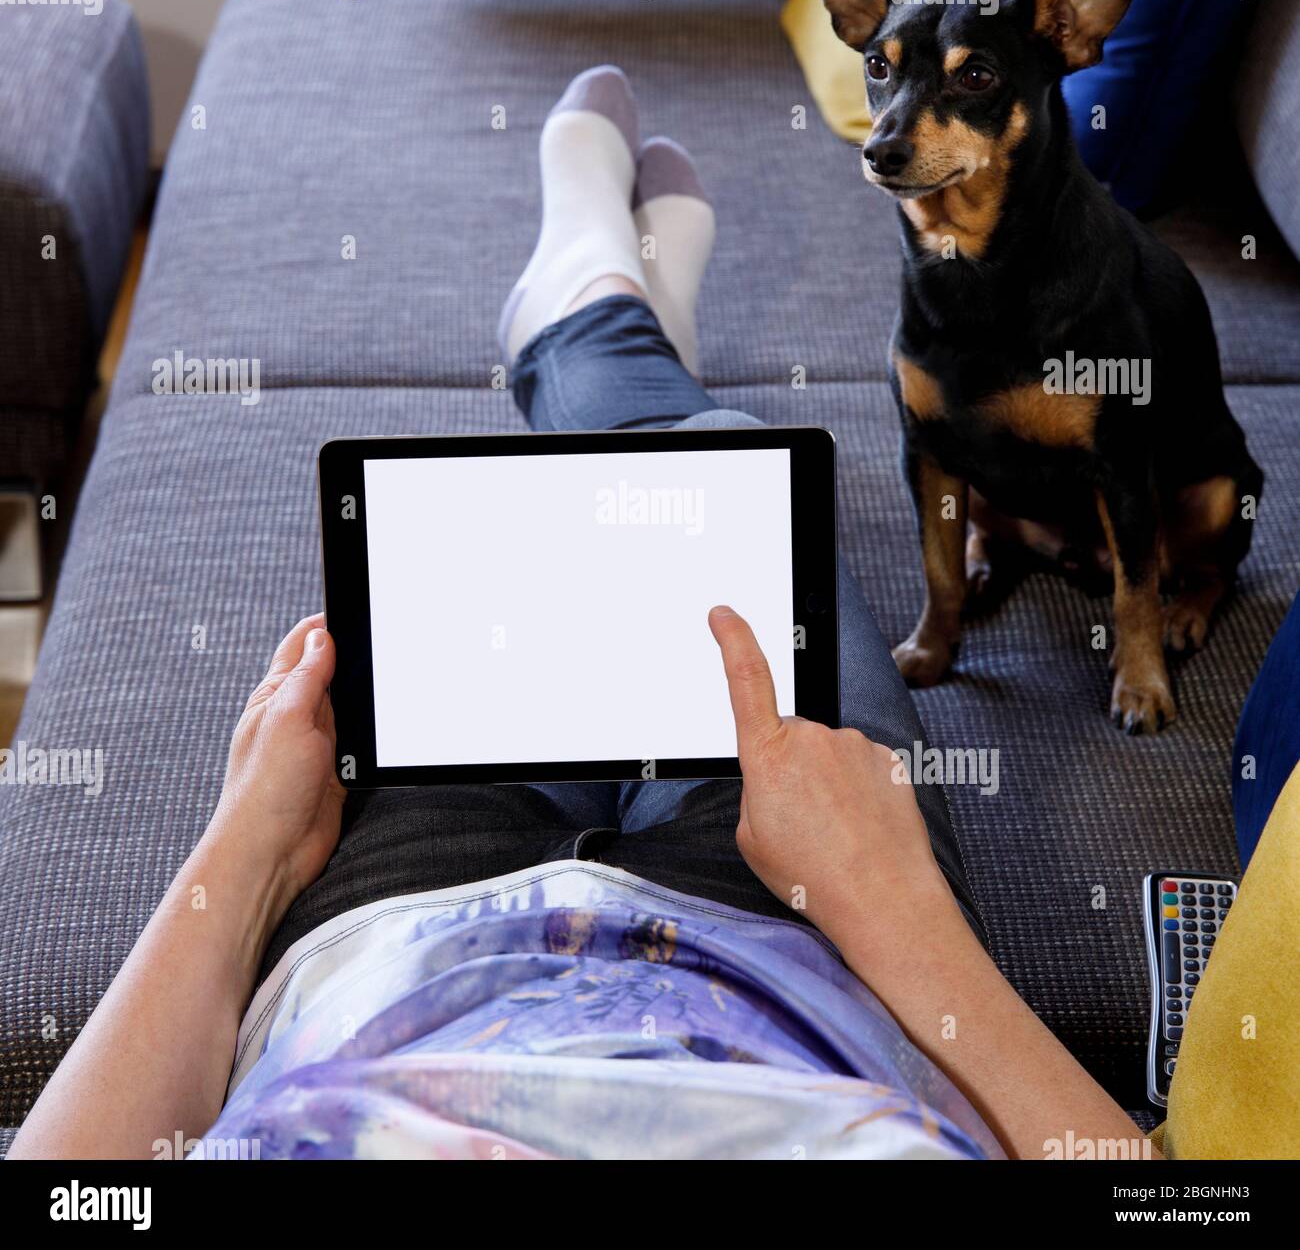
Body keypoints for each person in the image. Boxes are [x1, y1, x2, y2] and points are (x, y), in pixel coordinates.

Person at [10, 68, 1150, 1161]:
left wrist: (245, 845)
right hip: (804, 955)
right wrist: (904, 922)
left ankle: (594, 305)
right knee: (720, 464)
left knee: (662, 496)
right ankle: (598, 310)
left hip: (399, 946)